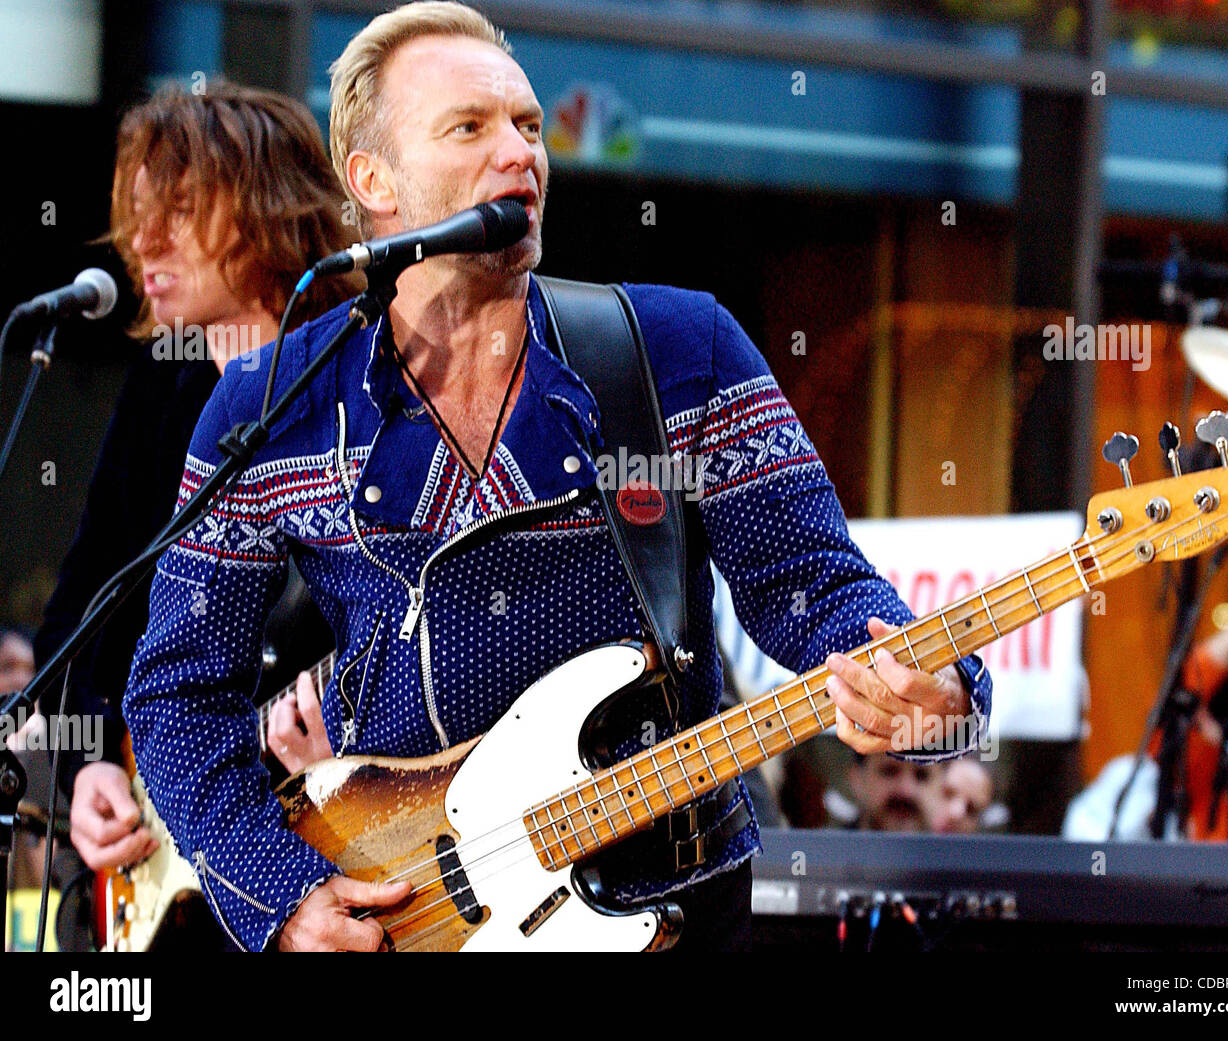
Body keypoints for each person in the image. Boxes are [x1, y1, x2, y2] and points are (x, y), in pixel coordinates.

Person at [123, 1, 992, 952]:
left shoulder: (677, 348)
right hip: (412, 918)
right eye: (471, 128)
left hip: (672, 911)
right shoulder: (270, 401)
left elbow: (817, 586)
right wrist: (282, 890)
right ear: (372, 181)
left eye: (529, 127)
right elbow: (177, 695)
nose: (521, 154)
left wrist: (938, 692)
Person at [33, 81, 355, 881]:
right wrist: (90, 763)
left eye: (177, 208)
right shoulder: (163, 386)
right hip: (179, 859)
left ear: (264, 204)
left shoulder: (366, 368)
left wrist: (352, 723)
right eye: (136, 211)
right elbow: (83, 609)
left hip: (339, 830)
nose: (143, 239)